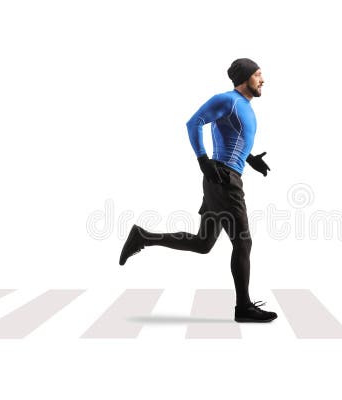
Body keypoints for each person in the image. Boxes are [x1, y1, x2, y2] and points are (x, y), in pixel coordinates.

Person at [118, 58, 277, 323]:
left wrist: (250, 160)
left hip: (224, 177)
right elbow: (193, 123)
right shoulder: (227, 100)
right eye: (258, 75)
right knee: (243, 241)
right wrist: (203, 160)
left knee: (203, 243)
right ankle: (244, 307)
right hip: (224, 179)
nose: (263, 80)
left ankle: (142, 237)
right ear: (245, 77)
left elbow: (232, 138)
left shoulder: (244, 107)